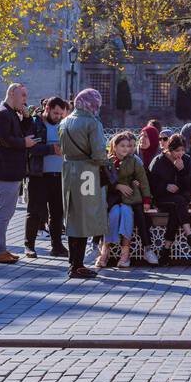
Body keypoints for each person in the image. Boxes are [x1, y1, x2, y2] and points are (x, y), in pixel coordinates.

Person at [59, 88, 108, 280]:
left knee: (72, 216)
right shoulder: (92, 123)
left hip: (68, 171)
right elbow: (98, 153)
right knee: (85, 216)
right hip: (87, 172)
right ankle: (78, 265)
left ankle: (74, 262)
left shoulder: (64, 121)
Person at [0, 83, 37, 264]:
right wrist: (24, 143)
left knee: (7, 211)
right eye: (22, 95)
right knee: (4, 211)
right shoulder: (2, 113)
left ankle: (1, 248)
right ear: (12, 94)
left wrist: (26, 119)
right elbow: (4, 139)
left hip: (11, 169)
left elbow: (20, 133)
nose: (25, 100)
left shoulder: (10, 113)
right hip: (5, 169)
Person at [97, 130, 155, 268]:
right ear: (114, 146)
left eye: (128, 146)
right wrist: (117, 186)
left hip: (130, 199)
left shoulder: (134, 161)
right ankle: (105, 250)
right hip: (113, 200)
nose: (126, 149)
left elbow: (143, 180)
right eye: (122, 146)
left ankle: (125, 252)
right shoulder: (108, 162)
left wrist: (147, 199)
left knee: (127, 213)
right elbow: (103, 182)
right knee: (114, 214)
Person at [24, 96, 69, 259]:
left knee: (57, 213)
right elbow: (31, 149)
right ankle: (29, 245)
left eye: (60, 114)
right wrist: (52, 149)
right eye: (55, 113)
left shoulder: (63, 125)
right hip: (39, 175)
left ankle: (57, 246)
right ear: (47, 109)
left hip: (59, 175)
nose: (58, 117)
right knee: (35, 212)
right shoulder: (35, 123)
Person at [148, 133, 191, 264]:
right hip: (162, 199)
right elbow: (150, 183)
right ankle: (189, 234)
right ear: (170, 150)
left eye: (183, 150)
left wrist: (182, 171)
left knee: (176, 212)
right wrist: (165, 186)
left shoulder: (187, 160)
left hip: (180, 200)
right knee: (179, 202)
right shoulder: (159, 161)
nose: (180, 153)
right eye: (177, 150)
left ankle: (165, 250)